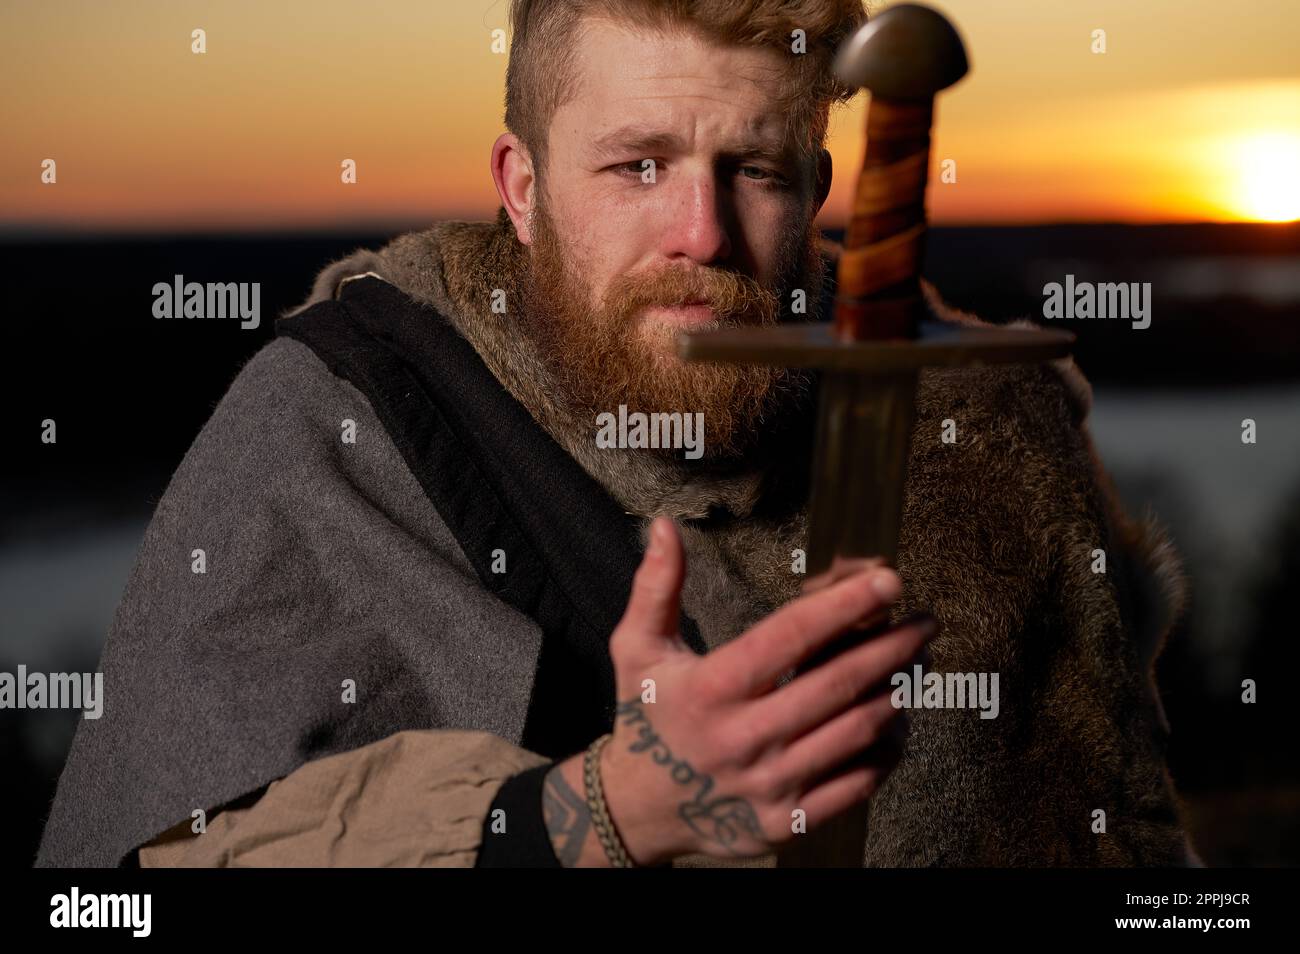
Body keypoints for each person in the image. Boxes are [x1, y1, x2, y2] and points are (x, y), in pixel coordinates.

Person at [37, 0, 1193, 868]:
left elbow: (1134, 838)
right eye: (637, 164)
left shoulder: (985, 427)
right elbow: (132, 887)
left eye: (752, 169)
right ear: (522, 185)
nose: (701, 230)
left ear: (819, 183)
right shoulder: (343, 417)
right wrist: (602, 807)